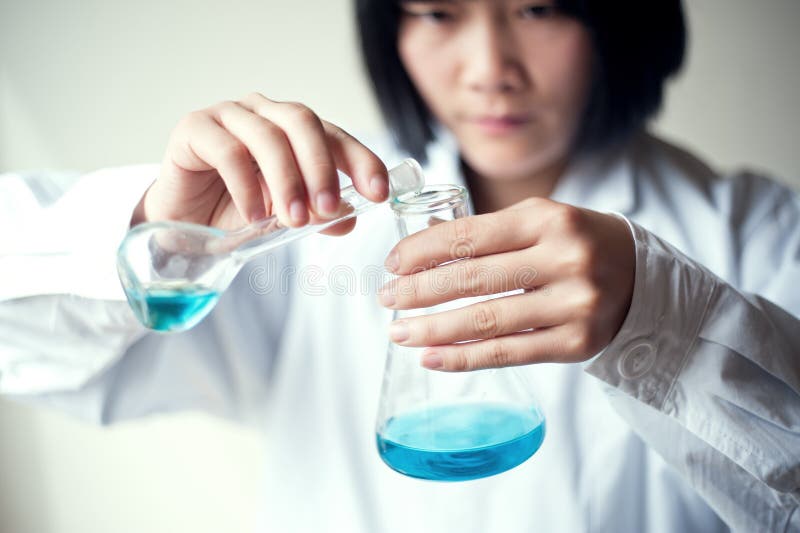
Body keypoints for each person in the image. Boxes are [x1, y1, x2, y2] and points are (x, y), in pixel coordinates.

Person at [1, 0, 798, 531]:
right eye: (439, 11)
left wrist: (661, 316)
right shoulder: (318, 230)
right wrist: (162, 239)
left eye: (539, 6)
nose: (489, 67)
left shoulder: (754, 230)